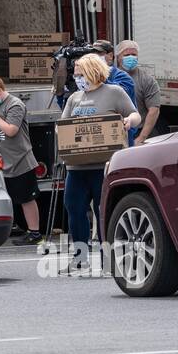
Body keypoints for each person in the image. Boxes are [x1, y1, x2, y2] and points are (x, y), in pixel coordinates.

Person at [60, 53, 140, 274]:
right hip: (77, 166)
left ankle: (110, 259)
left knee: (103, 210)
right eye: (76, 75)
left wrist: (128, 122)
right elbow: (64, 125)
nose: (77, 79)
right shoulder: (74, 98)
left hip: (104, 165)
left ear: (93, 71)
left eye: (80, 74)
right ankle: (80, 257)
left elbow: (135, 114)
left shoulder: (114, 92)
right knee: (74, 209)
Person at [0, 75, 42, 245]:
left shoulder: (15, 105)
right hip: (1, 159)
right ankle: (14, 225)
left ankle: (35, 233)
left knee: (26, 197)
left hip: (20, 159)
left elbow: (11, 130)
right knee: (6, 195)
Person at [116, 39, 161, 145]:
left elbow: (154, 110)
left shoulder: (146, 79)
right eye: (127, 55)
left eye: (134, 54)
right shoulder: (110, 77)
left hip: (137, 132)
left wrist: (141, 138)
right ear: (118, 57)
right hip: (116, 132)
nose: (131, 57)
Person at [91, 39, 136, 105]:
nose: (95, 57)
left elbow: (118, 94)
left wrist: (100, 77)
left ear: (110, 56)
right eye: (93, 54)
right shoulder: (88, 77)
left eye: (100, 53)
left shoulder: (123, 77)